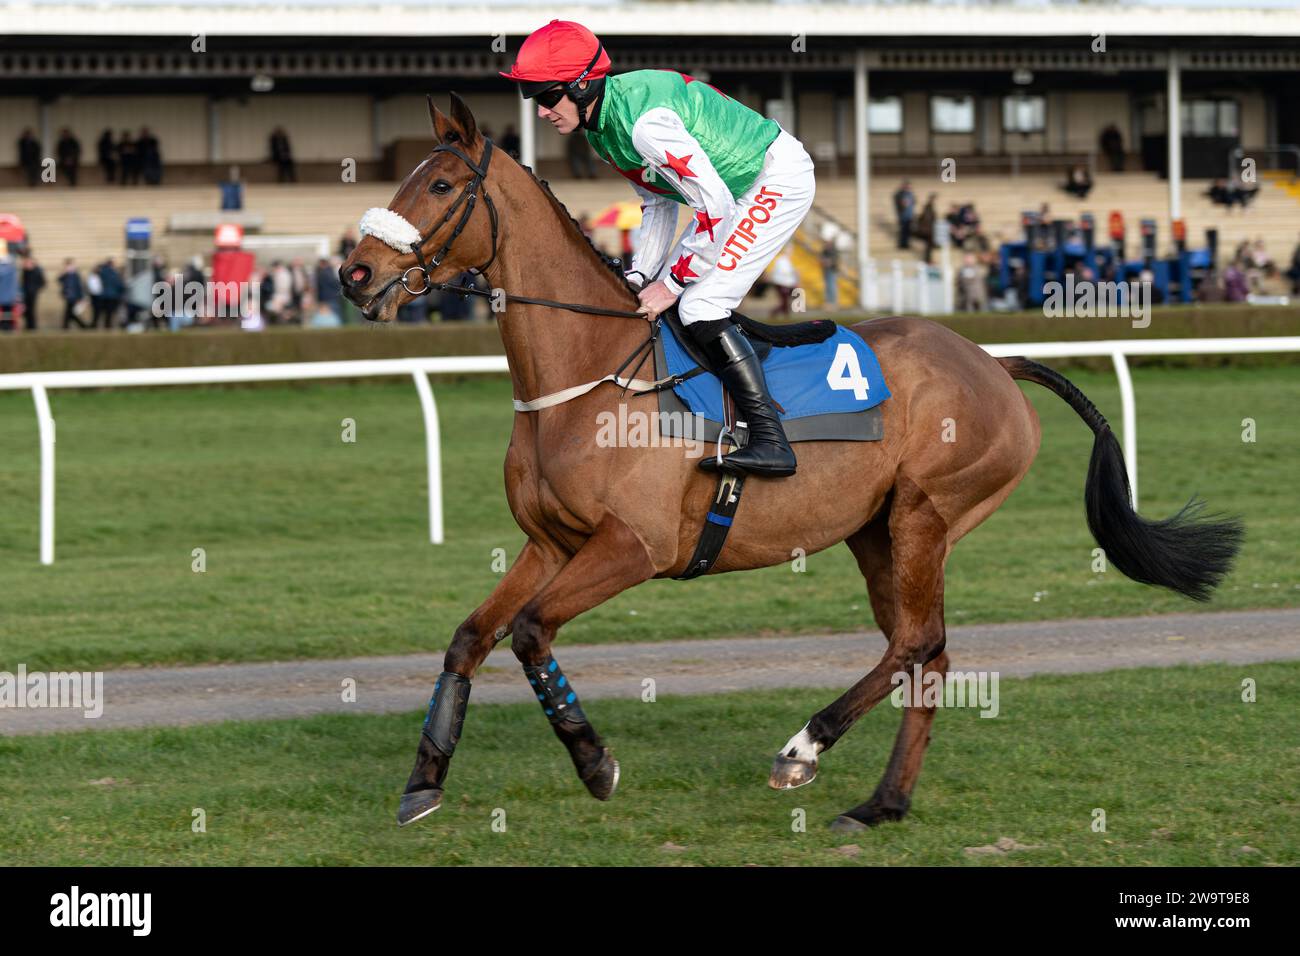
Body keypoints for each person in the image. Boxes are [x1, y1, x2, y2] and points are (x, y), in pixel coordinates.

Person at [502, 19, 813, 477]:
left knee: (701, 304)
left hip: (772, 179)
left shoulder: (645, 127)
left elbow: (716, 208)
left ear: (584, 85)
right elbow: (658, 203)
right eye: (534, 99)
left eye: (548, 96)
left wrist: (670, 282)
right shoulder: (601, 130)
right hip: (728, 193)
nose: (542, 111)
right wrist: (638, 276)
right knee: (662, 298)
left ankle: (772, 439)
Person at [767, 247, 798, 318]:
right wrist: (794, 271)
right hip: (781, 283)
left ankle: (784, 314)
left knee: (785, 300)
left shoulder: (786, 260)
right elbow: (784, 272)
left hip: (784, 283)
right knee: (785, 300)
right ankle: (778, 313)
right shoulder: (781, 260)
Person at [59, 259, 86, 329]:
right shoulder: (66, 275)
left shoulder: (76, 275)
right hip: (68, 296)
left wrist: (80, 298)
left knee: (69, 313)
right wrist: (64, 273)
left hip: (74, 296)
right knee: (69, 313)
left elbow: (79, 287)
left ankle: (67, 326)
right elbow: (59, 280)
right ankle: (81, 325)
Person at [21, 255, 45, 331]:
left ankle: (32, 327)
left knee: (31, 310)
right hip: (26, 293)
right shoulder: (25, 271)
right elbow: (23, 282)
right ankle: (28, 326)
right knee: (26, 310)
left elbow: (42, 282)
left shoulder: (37, 271)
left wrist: (35, 289)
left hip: (32, 293)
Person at [819, 235, 840, 310]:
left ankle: (833, 303)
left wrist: (828, 262)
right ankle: (828, 303)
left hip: (832, 270)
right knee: (828, 287)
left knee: (832, 286)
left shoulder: (833, 250)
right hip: (826, 270)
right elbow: (821, 260)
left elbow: (834, 261)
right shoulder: (824, 251)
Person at [893, 179, 915, 250]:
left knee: (908, 230)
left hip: (909, 215)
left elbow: (913, 203)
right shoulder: (900, 194)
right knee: (903, 230)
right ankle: (902, 244)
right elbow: (898, 203)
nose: (908, 187)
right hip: (903, 216)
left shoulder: (911, 194)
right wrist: (902, 204)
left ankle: (906, 244)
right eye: (907, 186)